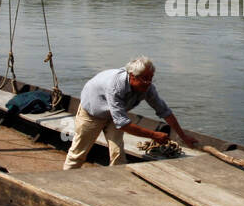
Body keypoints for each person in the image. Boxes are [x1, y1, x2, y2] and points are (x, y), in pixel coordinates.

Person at [62, 56, 198, 169]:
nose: (148, 82)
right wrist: (154, 135)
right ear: (132, 76)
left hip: (115, 114)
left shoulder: (148, 88)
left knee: (117, 153)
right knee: (78, 153)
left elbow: (164, 111)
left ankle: (118, 180)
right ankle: (63, 183)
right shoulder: (116, 86)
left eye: (151, 78)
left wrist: (183, 136)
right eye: (145, 78)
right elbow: (123, 124)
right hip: (93, 113)